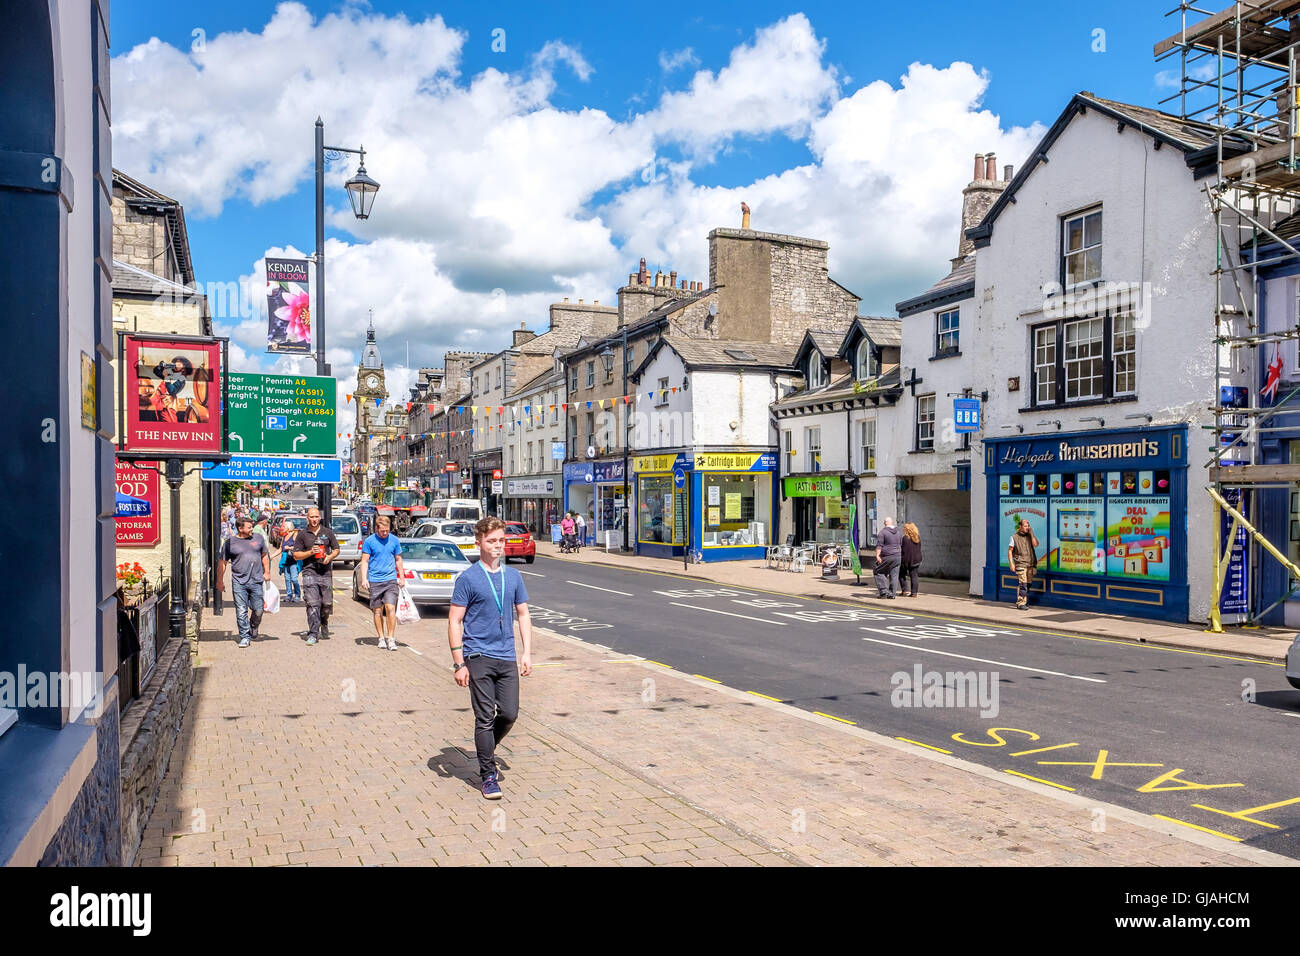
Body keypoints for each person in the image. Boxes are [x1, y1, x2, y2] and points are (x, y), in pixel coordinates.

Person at [447, 517, 533, 800]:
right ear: (479, 543)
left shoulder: (514, 577)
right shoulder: (468, 578)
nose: (498, 546)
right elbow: (455, 620)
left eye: (500, 540)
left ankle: (485, 750)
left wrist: (527, 652)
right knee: (484, 717)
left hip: (506, 655)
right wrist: (459, 662)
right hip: (478, 655)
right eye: (491, 541)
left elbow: (523, 614)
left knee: (509, 713)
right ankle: (488, 775)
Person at [219, 516, 270, 648]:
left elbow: (264, 556)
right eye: (249, 527)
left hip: (256, 580)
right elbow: (223, 563)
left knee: (258, 610)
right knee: (241, 610)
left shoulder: (258, 538)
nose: (252, 529)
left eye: (252, 526)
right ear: (240, 529)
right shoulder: (230, 543)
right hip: (239, 581)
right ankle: (245, 636)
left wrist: (267, 572)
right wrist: (220, 580)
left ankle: (253, 626)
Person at [293, 506, 340, 645]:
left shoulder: (328, 532)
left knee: (326, 603)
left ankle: (324, 622)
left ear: (320, 518)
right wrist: (310, 553)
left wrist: (330, 557)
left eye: (316, 517)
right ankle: (313, 633)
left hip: (325, 572)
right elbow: (296, 555)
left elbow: (337, 549)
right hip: (309, 571)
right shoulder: (302, 534)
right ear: (307, 518)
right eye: (311, 517)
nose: (314, 520)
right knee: (313, 604)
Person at [360, 515, 406, 651]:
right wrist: (364, 578)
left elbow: (398, 559)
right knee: (377, 611)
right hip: (375, 580)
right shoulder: (369, 541)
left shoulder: (394, 540)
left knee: (390, 608)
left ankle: (391, 638)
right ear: (376, 528)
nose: (385, 533)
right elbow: (365, 561)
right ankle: (381, 638)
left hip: (391, 579)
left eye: (387, 530)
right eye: (382, 531)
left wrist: (401, 577)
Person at [1008, 518, 1040, 610]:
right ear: (1020, 526)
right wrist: (1011, 564)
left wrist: (1032, 533)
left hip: (1030, 563)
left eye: (1028, 526)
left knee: (1028, 584)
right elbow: (1010, 551)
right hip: (1020, 563)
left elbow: (1036, 544)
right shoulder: (1014, 537)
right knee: (1023, 584)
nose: (1027, 528)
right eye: (1025, 526)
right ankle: (1021, 603)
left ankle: (1023, 600)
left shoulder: (1030, 536)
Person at [874, 516, 903, 599]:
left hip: (887, 556)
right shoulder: (898, 532)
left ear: (884, 523)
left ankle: (883, 592)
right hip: (897, 556)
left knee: (878, 570)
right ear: (892, 523)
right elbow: (901, 543)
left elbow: (879, 545)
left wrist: (877, 556)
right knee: (894, 575)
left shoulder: (882, 532)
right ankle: (892, 594)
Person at [279, 518, 302, 604]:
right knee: (287, 579)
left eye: (284, 526)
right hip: (285, 560)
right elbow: (280, 549)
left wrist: (289, 548)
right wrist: (271, 556)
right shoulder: (284, 537)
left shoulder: (295, 535)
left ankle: (297, 595)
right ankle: (289, 595)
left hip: (294, 560)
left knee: (294, 579)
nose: (282, 528)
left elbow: (298, 547)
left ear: (288, 528)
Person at [900, 522, 923, 597]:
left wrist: (903, 562)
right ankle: (914, 593)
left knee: (901, 574)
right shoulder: (918, 537)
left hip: (907, 560)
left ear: (907, 529)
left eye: (904, 528)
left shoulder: (905, 538)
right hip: (917, 560)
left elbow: (904, 551)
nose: (903, 529)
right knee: (914, 576)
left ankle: (905, 590)